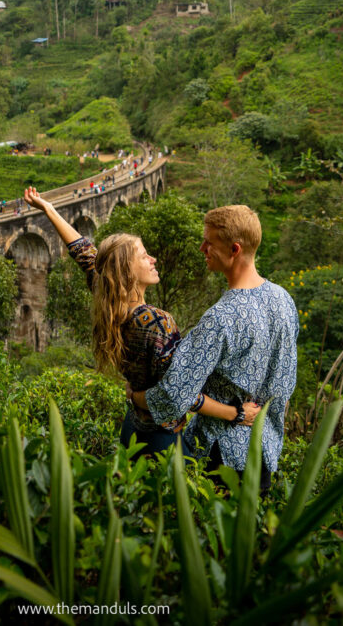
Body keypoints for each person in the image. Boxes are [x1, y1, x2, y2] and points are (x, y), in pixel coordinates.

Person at [23, 188, 260, 456]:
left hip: (132, 427)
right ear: (126, 270)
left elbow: (83, 251)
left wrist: (49, 210)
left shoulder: (108, 296)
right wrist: (236, 414)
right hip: (161, 439)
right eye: (144, 255)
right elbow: (178, 393)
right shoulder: (158, 323)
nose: (153, 259)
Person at [128, 205, 298, 488]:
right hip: (264, 454)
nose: (202, 248)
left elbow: (173, 396)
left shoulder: (220, 318)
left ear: (234, 249)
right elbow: (285, 384)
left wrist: (134, 397)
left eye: (209, 242)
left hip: (221, 458)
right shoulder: (283, 300)